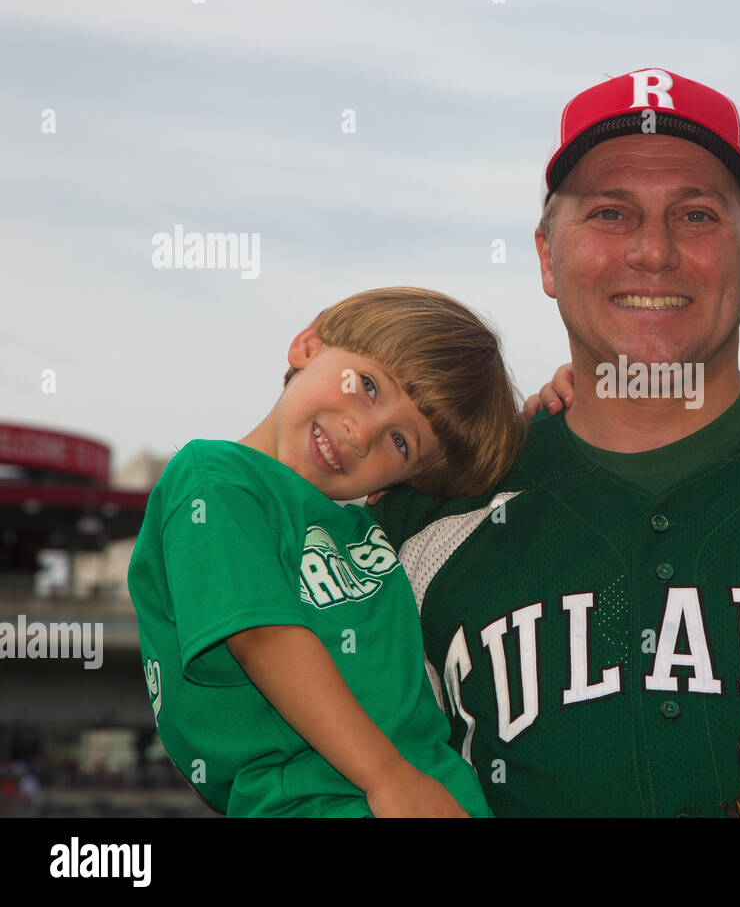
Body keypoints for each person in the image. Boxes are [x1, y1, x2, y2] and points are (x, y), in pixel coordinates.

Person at [371, 68, 740, 817]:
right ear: (545, 255)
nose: (654, 252)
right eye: (610, 213)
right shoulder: (429, 515)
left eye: (696, 215)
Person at [127, 287, 524, 817]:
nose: (362, 435)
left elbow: (483, 482)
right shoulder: (214, 478)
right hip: (321, 800)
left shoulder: (360, 524)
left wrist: (550, 411)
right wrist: (386, 778)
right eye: (366, 386)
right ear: (308, 346)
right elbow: (263, 638)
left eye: (400, 444)